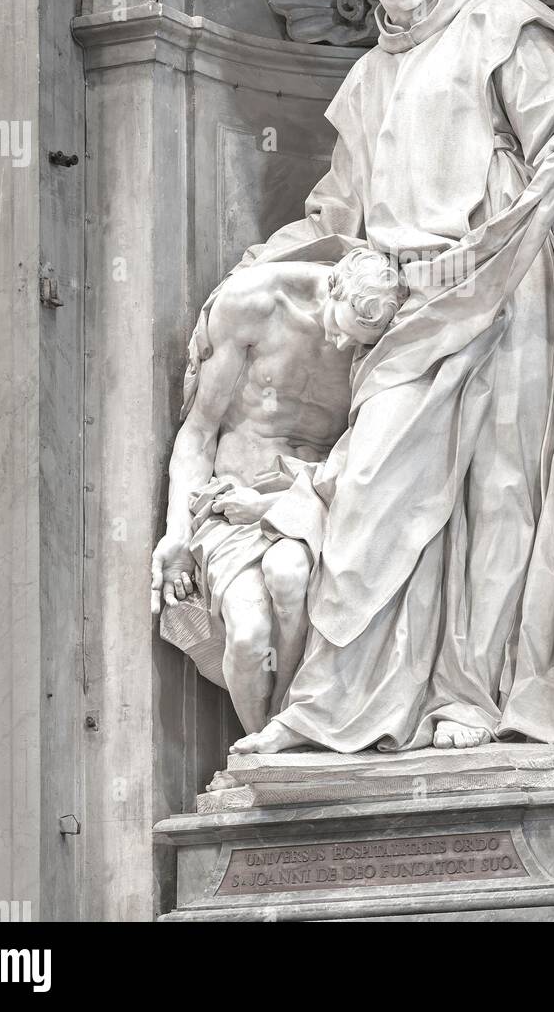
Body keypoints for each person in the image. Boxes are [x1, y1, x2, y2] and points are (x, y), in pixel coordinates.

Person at [229, 0, 554, 754]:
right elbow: (338, 212)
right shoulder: (364, 81)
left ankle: (474, 693)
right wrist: (274, 261)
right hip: (410, 307)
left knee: (501, 493)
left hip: (511, 283)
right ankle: (336, 702)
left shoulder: (502, 25)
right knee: (370, 492)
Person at [150, 247, 406, 740]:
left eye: (357, 342)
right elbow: (199, 432)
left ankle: (290, 728)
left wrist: (285, 504)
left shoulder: (387, 344)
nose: (340, 342)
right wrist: (176, 535)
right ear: (332, 286)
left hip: (310, 507)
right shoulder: (254, 302)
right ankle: (261, 745)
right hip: (231, 508)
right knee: (247, 636)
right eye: (339, 326)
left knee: (287, 574)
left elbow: (367, 461)